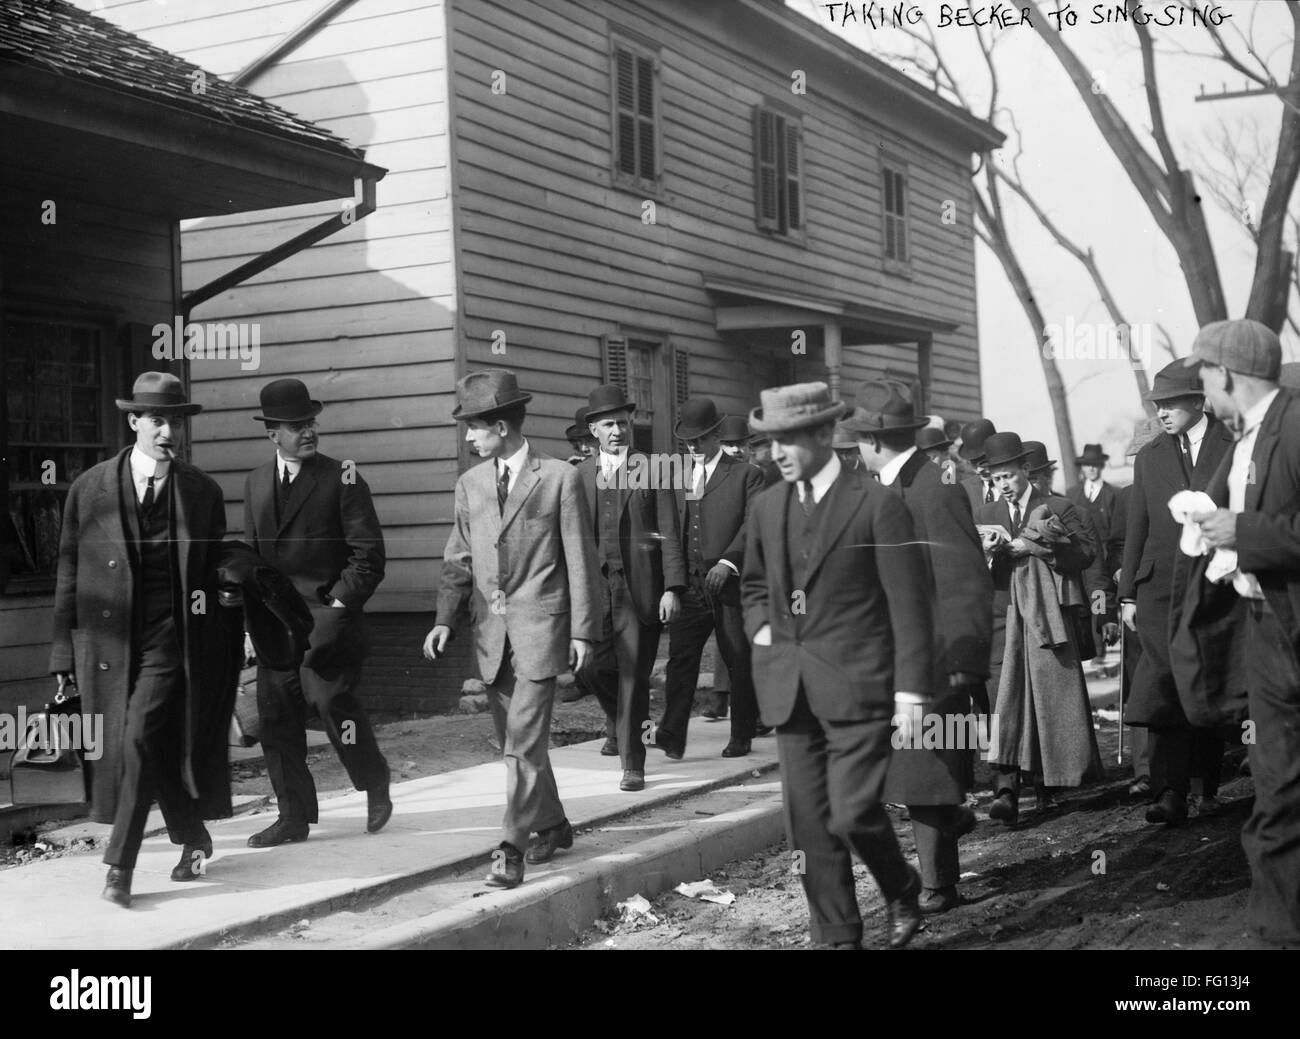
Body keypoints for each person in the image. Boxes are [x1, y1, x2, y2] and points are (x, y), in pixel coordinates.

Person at [741, 382, 933, 949]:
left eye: (789, 439)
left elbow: (910, 605)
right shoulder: (766, 506)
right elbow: (754, 587)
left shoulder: (876, 504)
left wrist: (912, 694)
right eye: (770, 440)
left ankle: (900, 884)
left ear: (826, 434)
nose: (776, 452)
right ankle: (839, 937)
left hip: (860, 688)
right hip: (787, 689)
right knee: (808, 826)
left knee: (851, 814)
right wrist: (764, 630)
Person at [50, 372, 241, 907]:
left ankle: (120, 868)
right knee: (144, 747)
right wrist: (62, 652)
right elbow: (68, 572)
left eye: (175, 421)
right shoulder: (90, 489)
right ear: (133, 421)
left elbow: (213, 559)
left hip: (171, 642)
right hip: (108, 646)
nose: (167, 432)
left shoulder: (201, 491)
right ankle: (193, 833)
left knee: (136, 737)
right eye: (157, 420)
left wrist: (231, 583)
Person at [424, 370, 600, 888]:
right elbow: (457, 560)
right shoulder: (470, 484)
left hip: (541, 631)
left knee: (521, 745)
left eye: (474, 427)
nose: (468, 437)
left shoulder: (558, 478)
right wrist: (443, 620)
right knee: (516, 744)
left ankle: (510, 848)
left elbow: (580, 560)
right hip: (489, 636)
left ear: (500, 425)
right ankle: (553, 823)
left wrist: (583, 631)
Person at [850, 382, 992, 916]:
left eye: (857, 440)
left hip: (934, 657)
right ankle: (953, 821)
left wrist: (963, 661)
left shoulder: (933, 490)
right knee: (906, 768)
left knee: (925, 769)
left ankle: (938, 883)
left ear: (872, 439)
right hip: (886, 657)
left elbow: (965, 581)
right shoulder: (877, 489)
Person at [1186, 319, 1300, 946]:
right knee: (1276, 785)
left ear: (1227, 374)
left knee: (1281, 789)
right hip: (1264, 630)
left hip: (1290, 631)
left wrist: (1245, 535)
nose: (1203, 391)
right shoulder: (1247, 438)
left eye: (1205, 375)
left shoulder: (1298, 425)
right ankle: (1278, 932)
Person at [242, 378, 390, 848]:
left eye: (310, 422)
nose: (308, 431)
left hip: (327, 621)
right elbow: (255, 560)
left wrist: (339, 607)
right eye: (295, 425)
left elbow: (367, 555)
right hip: (274, 624)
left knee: (333, 707)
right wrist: (251, 625)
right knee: (275, 717)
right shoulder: (254, 483)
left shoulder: (341, 476)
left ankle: (374, 781)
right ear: (272, 433)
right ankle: (294, 816)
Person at [1119, 360, 1234, 826]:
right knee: (1163, 686)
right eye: (1157, 405)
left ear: (1197, 401)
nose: (1161, 413)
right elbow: (1136, 529)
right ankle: (1170, 793)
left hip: (1215, 585)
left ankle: (1207, 786)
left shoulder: (1236, 446)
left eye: (1169, 404)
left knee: (1204, 683)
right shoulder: (1149, 456)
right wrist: (1127, 593)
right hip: (1159, 591)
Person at [975, 432, 1102, 825]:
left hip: (1047, 620)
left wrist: (1039, 546)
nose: (1004, 485)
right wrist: (990, 551)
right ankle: (1006, 791)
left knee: (1048, 699)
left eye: (1010, 476)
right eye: (997, 479)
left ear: (1026, 471)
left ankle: (1049, 780)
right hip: (1003, 619)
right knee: (1003, 701)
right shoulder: (987, 515)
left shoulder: (1058, 507)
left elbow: (1085, 553)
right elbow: (972, 570)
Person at [574, 384, 684, 790]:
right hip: (595, 589)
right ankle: (621, 723)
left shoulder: (653, 468)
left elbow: (670, 533)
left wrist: (673, 587)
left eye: (623, 422)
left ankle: (632, 764)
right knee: (591, 668)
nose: (618, 430)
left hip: (641, 588)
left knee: (634, 677)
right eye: (609, 424)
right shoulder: (579, 475)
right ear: (594, 430)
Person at [659, 398, 766, 759]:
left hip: (730, 583)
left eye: (701, 440)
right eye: (688, 442)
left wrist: (728, 562)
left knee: (738, 657)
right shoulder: (679, 476)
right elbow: (671, 532)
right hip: (690, 584)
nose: (694, 447)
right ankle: (672, 734)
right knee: (680, 660)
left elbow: (754, 525)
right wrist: (673, 584)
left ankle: (742, 734)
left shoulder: (745, 474)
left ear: (717, 435)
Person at [1069, 444, 1121, 669]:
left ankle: (1104, 646)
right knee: (1088, 603)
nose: (1091, 469)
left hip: (1106, 559)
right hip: (1084, 559)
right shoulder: (1073, 494)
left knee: (1103, 600)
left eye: (1095, 465)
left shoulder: (1113, 494)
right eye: (1087, 465)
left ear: (1101, 466)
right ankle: (1093, 651)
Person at [958, 418, 997, 512]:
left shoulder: (1015, 484)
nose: (979, 469)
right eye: (973, 463)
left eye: (984, 461)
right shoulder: (964, 489)